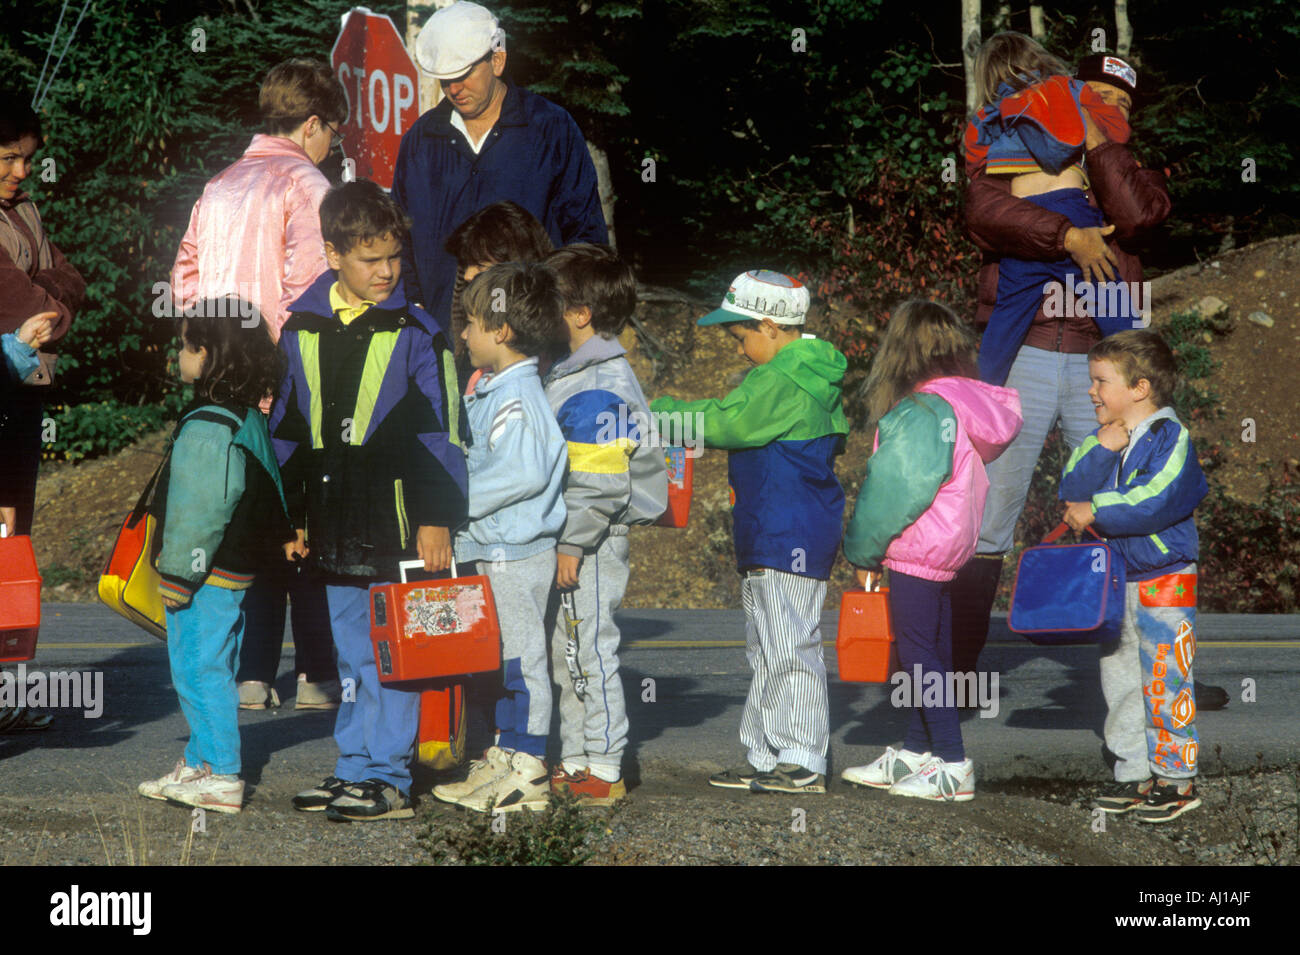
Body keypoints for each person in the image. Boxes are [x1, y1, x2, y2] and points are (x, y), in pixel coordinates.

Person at [951, 47, 1176, 682]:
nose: (1111, 108)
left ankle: (1161, 672)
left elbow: (1136, 215)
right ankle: (955, 677)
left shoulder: (1128, 166)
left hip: (1095, 365)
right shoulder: (1021, 135)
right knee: (989, 513)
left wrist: (1101, 144)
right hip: (1025, 351)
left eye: (1123, 104)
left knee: (1131, 508)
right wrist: (1066, 236)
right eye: (1099, 95)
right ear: (1068, 90)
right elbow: (982, 212)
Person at [276, 180, 467, 821]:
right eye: (369, 259)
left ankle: (387, 776)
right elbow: (287, 432)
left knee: (396, 651)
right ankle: (352, 764)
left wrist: (437, 516)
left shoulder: (419, 332)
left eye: (393, 258)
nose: (386, 272)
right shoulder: (300, 328)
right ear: (333, 255)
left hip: (398, 522)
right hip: (331, 521)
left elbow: (442, 435)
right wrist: (291, 517)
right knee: (351, 652)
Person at [171, 58, 349, 712]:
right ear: (311, 124)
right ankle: (315, 672)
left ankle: (250, 673)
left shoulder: (217, 185)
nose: (335, 144)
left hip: (224, 391)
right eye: (334, 129)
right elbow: (312, 298)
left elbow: (185, 283)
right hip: (289, 385)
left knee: (244, 527)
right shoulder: (306, 184)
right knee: (305, 528)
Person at [650, 270, 848, 794]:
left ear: (769, 325)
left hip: (789, 535)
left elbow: (725, 424)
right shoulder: (802, 373)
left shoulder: (784, 377)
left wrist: (661, 414)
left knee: (789, 646)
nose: (739, 350)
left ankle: (802, 758)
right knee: (767, 648)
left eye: (741, 337)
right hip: (774, 531)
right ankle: (767, 755)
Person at [840, 301, 1022, 801]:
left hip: (917, 545)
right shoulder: (961, 404)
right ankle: (918, 751)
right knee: (933, 649)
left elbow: (894, 490)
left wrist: (863, 551)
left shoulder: (920, 411)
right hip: (949, 545)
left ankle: (953, 760)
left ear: (899, 353)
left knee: (918, 656)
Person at [138, 301, 293, 814]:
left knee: (198, 671)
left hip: (204, 573)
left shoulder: (206, 423)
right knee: (209, 667)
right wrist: (288, 532)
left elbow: (199, 509)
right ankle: (198, 761)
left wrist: (180, 572)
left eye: (186, 345)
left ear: (209, 355)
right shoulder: (245, 414)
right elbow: (270, 483)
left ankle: (222, 772)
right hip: (232, 570)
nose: (178, 354)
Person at [432, 262, 568, 813]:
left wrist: (446, 502)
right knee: (499, 659)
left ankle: (527, 767)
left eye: (471, 324)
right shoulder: (494, 392)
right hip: (492, 550)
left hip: (514, 554)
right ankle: (502, 756)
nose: (462, 335)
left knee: (522, 661)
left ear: (502, 331)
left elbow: (521, 473)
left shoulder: (518, 401)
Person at [1059, 330, 1207, 822]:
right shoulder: (1104, 439)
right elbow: (1071, 487)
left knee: (1166, 675)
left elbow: (1156, 498)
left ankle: (1176, 780)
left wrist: (1097, 507)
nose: (1091, 391)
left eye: (1101, 381)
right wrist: (1102, 448)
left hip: (1166, 574)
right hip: (1117, 577)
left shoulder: (1172, 437)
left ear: (1140, 387)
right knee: (1120, 677)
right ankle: (1134, 772)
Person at [393, 1, 608, 333]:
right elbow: (400, 236)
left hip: (532, 341)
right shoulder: (420, 142)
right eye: (445, 79)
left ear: (497, 60)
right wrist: (415, 308)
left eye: (463, 74)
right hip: (441, 341)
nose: (453, 89)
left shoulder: (551, 129)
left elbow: (585, 237)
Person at [541, 243, 668, 804]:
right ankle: (576, 757)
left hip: (590, 542)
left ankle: (605, 765)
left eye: (549, 301)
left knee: (588, 651)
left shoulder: (599, 384)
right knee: (567, 654)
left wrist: (573, 539)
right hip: (580, 537)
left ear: (578, 313)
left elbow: (600, 479)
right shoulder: (581, 372)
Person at [0, 90, 84, 734]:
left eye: (26, 159)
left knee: (12, 546)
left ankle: (8, 687)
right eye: (8, 159)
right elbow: (20, 301)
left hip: (24, 392)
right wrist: (46, 295)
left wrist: (47, 298)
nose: (22, 173)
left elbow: (63, 290)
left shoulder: (22, 210)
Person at [443, 200, 555, 385]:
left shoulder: (546, 366)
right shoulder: (475, 355)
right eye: (466, 264)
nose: (468, 275)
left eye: (480, 265)